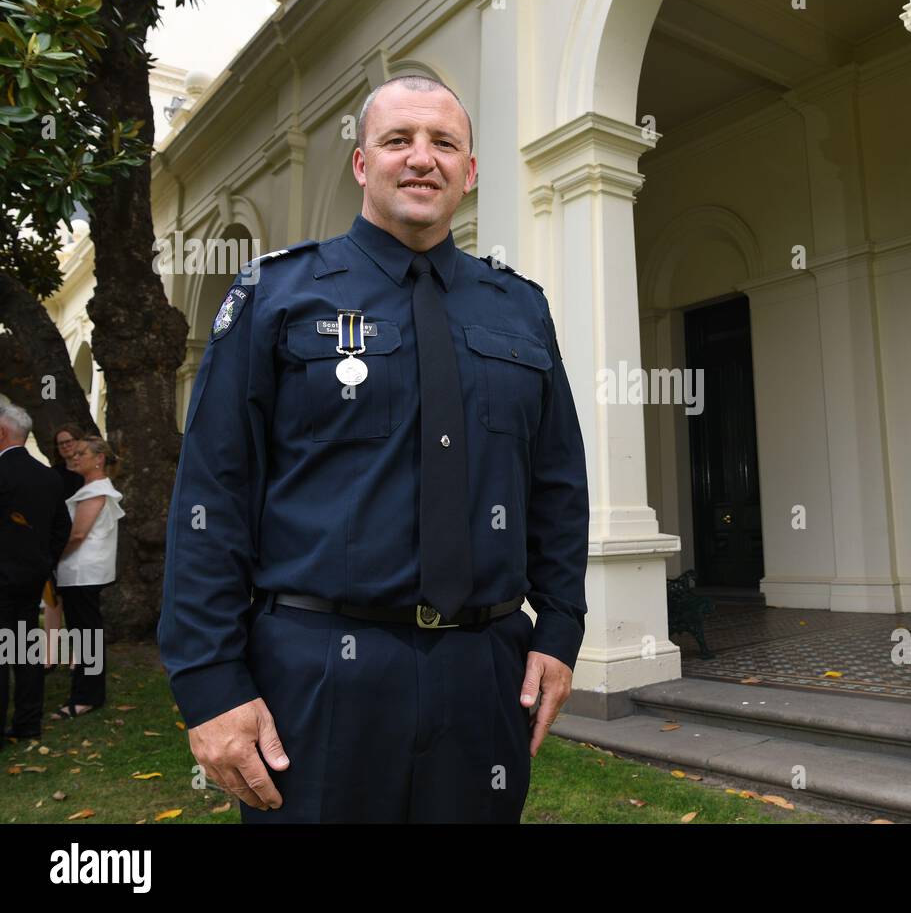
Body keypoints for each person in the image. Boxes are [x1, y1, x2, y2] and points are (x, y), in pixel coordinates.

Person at [157, 74, 589, 823]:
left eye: (444, 143)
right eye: (398, 141)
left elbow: (556, 483)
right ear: (363, 163)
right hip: (316, 677)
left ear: (470, 173)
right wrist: (210, 684)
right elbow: (212, 495)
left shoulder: (520, 308)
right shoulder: (278, 295)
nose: (422, 158)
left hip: (485, 674)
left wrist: (559, 629)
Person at [0, 396, 72, 741]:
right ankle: (28, 724)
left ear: (1, 433)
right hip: (32, 576)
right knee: (23, 647)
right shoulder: (48, 477)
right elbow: (62, 527)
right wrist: (44, 560)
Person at [49, 435, 124, 719]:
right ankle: (85, 692)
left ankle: (88, 696)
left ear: (99, 459)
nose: (74, 457)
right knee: (83, 634)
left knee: (87, 635)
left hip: (84, 572)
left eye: (81, 453)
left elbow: (78, 534)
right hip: (79, 572)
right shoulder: (90, 488)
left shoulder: (96, 490)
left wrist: (51, 556)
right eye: (73, 453)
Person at [44, 425, 85, 670]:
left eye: (69, 441)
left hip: (79, 548)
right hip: (56, 542)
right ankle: (49, 655)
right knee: (52, 601)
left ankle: (78, 656)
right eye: (61, 443)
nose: (66, 446)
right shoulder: (54, 474)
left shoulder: (87, 474)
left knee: (77, 606)